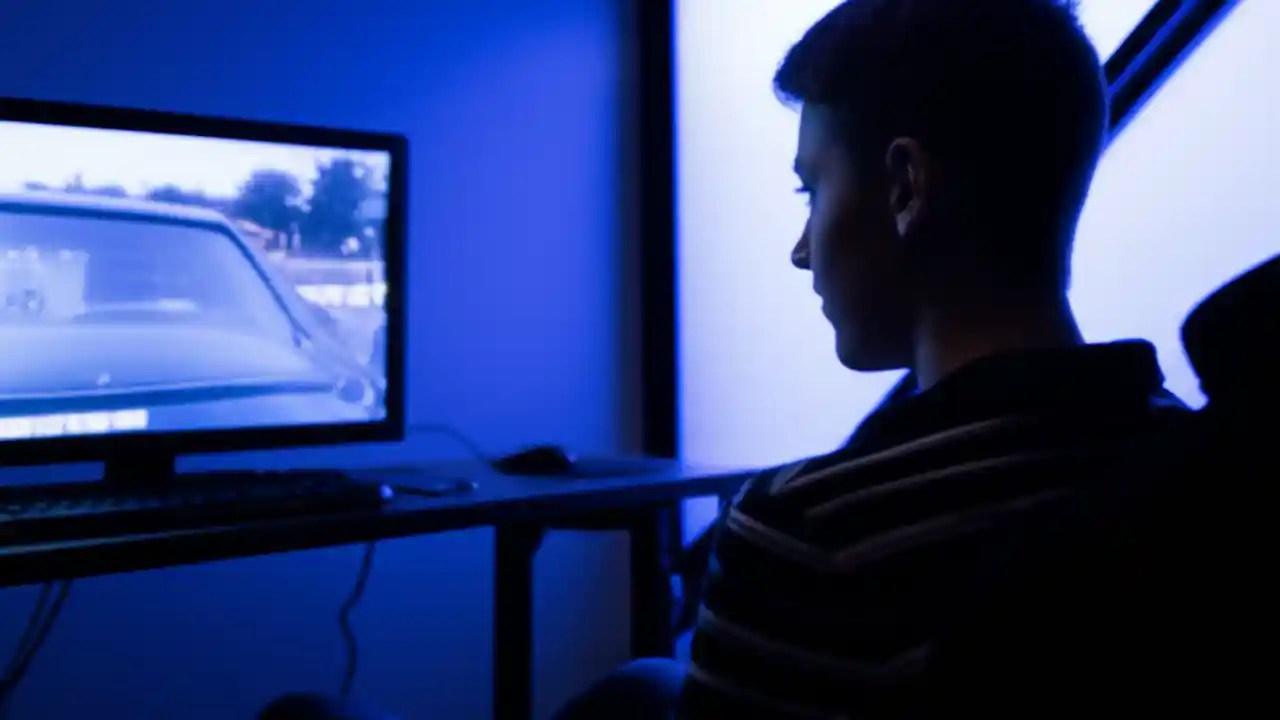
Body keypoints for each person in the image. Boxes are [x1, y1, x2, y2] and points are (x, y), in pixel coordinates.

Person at [557, 0, 1189, 717]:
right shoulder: (1211, 466)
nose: (801, 249)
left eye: (812, 189)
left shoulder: (810, 535)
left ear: (904, 188)